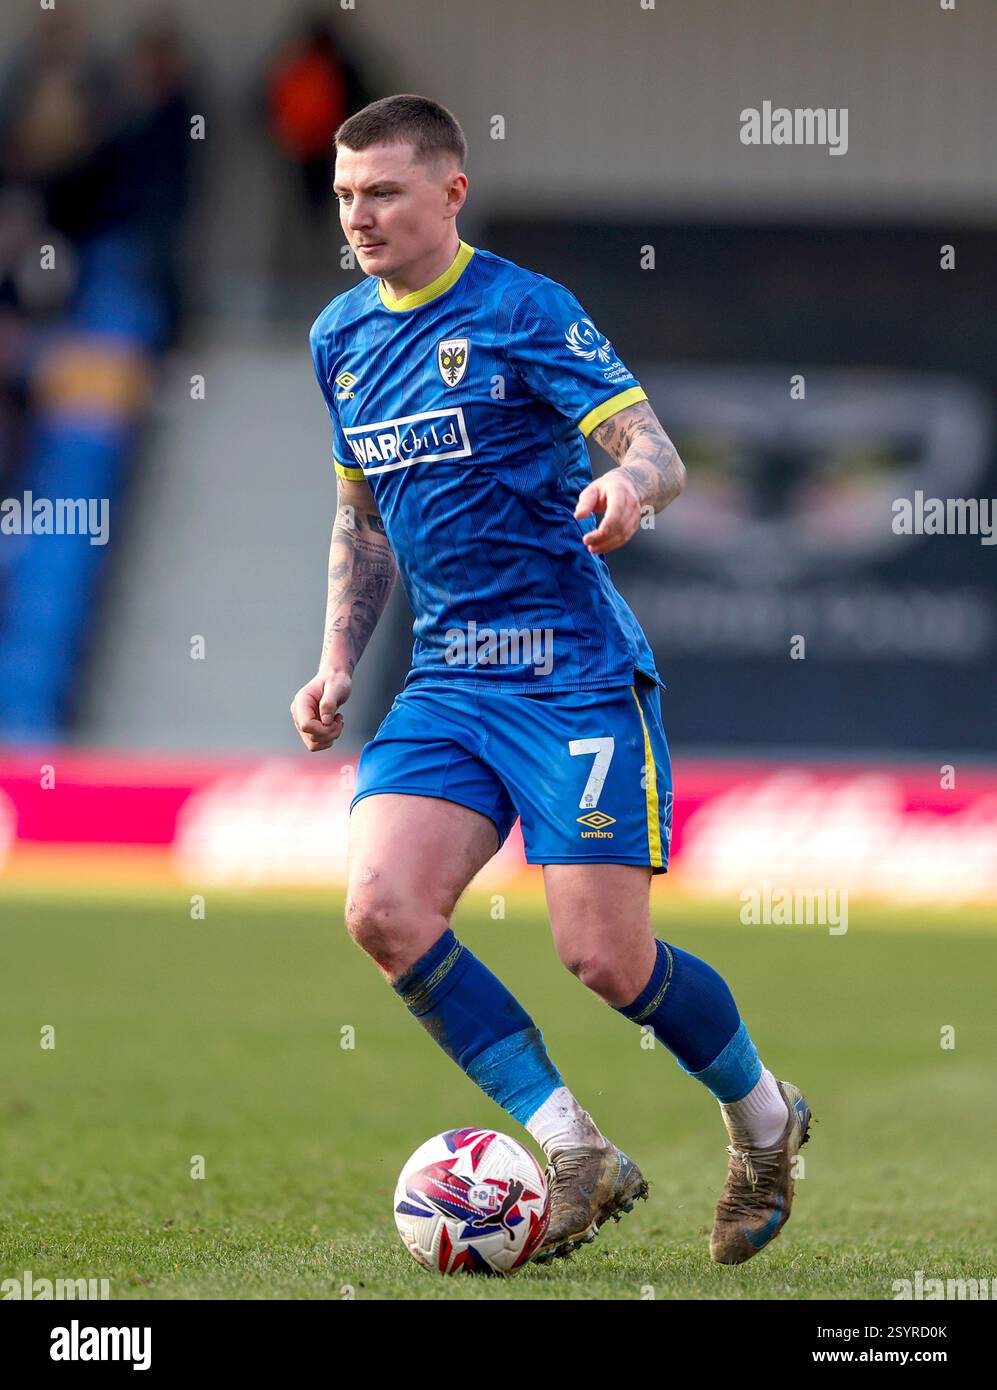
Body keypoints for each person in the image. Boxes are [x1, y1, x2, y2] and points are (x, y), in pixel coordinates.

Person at [291, 93, 810, 1267]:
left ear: (450, 193)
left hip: (568, 669)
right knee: (381, 908)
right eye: (344, 195)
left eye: (382, 193)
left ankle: (764, 1120)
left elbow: (654, 451)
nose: (359, 217)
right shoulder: (339, 337)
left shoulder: (523, 309)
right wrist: (335, 661)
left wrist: (628, 488)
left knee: (603, 957)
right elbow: (360, 516)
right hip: (446, 677)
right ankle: (576, 1149)